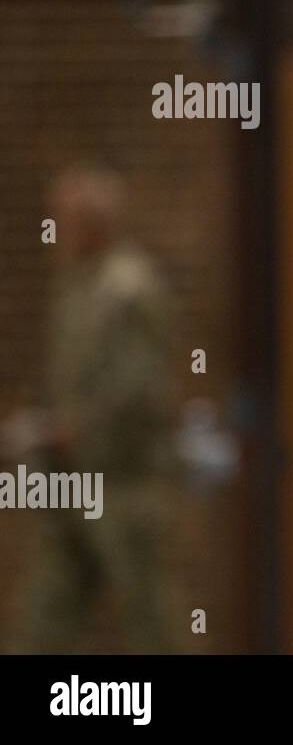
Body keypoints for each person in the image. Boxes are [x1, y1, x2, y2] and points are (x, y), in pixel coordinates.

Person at [16, 165, 178, 653]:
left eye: (63, 219)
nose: (55, 230)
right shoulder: (77, 284)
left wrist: (80, 428)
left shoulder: (128, 288)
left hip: (123, 483)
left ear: (93, 222)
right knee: (49, 608)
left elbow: (141, 387)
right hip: (74, 477)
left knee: (150, 614)